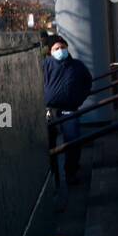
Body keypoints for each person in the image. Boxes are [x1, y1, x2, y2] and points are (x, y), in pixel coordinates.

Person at [42, 35, 93, 185]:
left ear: (67, 47)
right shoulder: (45, 65)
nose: (60, 50)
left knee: (73, 139)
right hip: (49, 110)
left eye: (62, 47)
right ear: (50, 51)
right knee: (49, 143)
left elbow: (87, 82)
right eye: (56, 48)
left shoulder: (77, 66)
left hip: (69, 108)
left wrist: (79, 99)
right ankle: (53, 176)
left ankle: (71, 172)